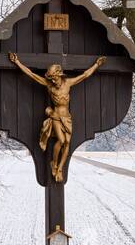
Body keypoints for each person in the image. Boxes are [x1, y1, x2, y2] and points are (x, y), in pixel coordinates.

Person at [7, 53, 106, 181]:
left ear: (59, 75)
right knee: (61, 140)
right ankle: (54, 163)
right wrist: (17, 62)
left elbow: (85, 75)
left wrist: (97, 65)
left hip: (67, 118)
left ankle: (59, 168)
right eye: (51, 78)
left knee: (67, 144)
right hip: (56, 116)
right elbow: (31, 75)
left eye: (54, 78)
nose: (53, 80)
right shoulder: (49, 86)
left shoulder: (68, 83)